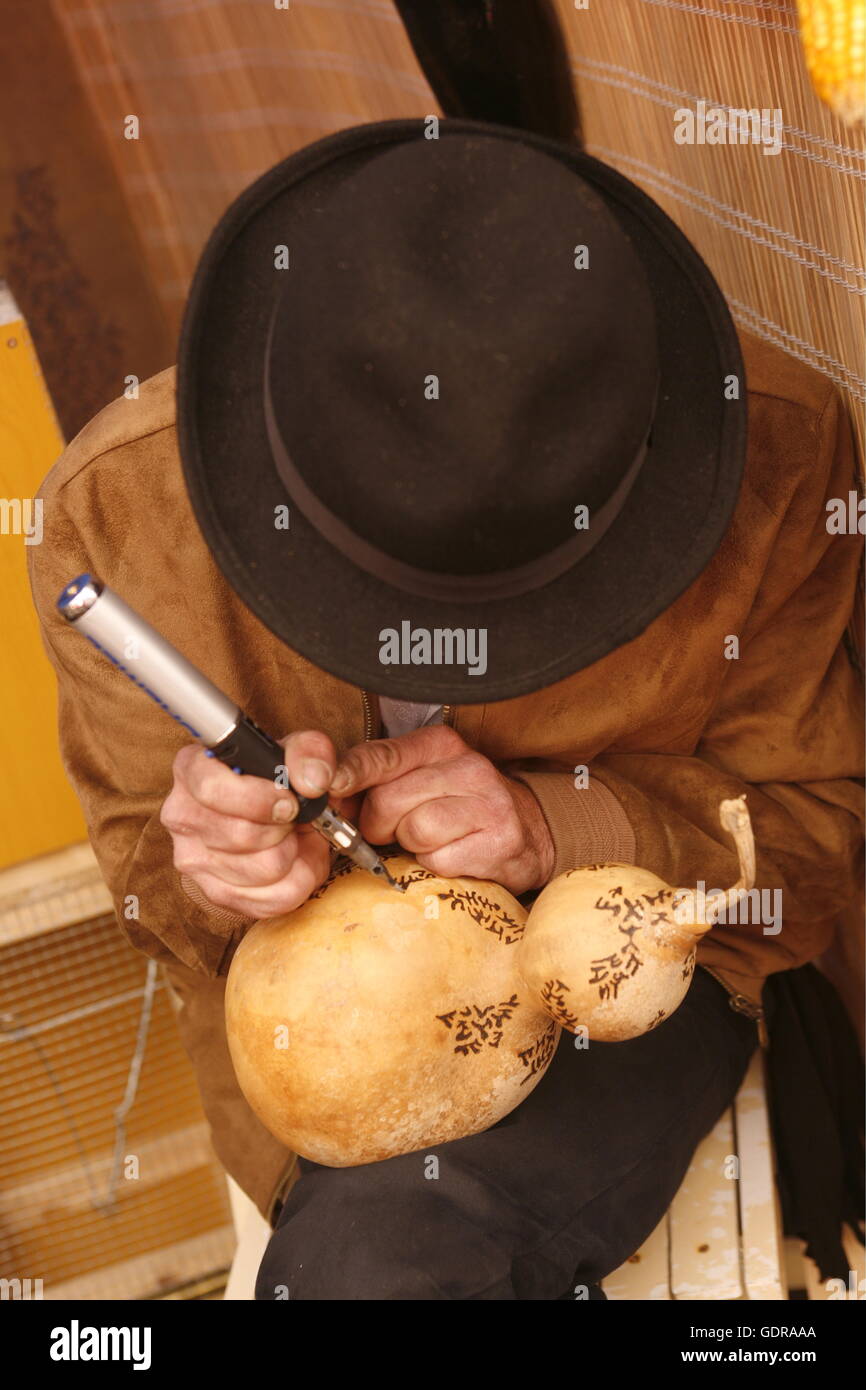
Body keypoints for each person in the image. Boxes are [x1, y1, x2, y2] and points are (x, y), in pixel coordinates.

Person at [29, 118, 863, 1300]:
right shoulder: (116, 511)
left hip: (611, 992)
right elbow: (142, 885)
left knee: (387, 1263)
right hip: (308, 1038)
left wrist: (558, 825)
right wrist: (216, 870)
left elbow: (808, 847)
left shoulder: (772, 452)